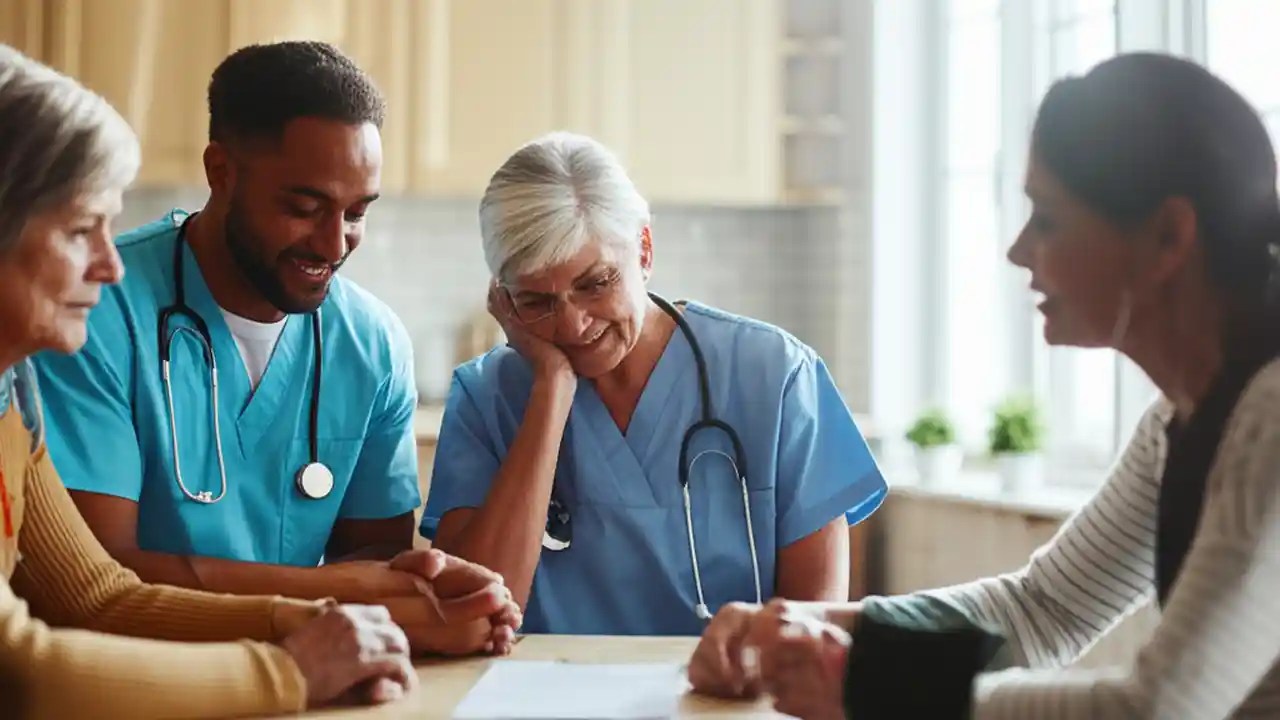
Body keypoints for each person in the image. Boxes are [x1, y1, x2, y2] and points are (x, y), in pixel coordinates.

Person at [689, 53, 1280, 719]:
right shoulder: (1179, 422)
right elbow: (1041, 611)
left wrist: (876, 691)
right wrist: (802, 622)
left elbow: (1160, 709)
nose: (1019, 251)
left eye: (1048, 219)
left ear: (1169, 236)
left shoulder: (1271, 417)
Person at [29, 40, 519, 654]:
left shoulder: (371, 344)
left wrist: (427, 591)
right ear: (221, 172)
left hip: (315, 670)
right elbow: (98, 579)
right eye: (304, 207)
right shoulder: (92, 312)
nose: (334, 243)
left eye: (356, 213)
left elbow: (375, 559)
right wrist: (332, 596)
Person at [420, 132, 887, 636]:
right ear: (505, 302)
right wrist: (551, 392)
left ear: (643, 250)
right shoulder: (486, 398)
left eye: (595, 283)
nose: (573, 325)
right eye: (537, 301)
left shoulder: (775, 377)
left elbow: (810, 635)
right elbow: (472, 614)